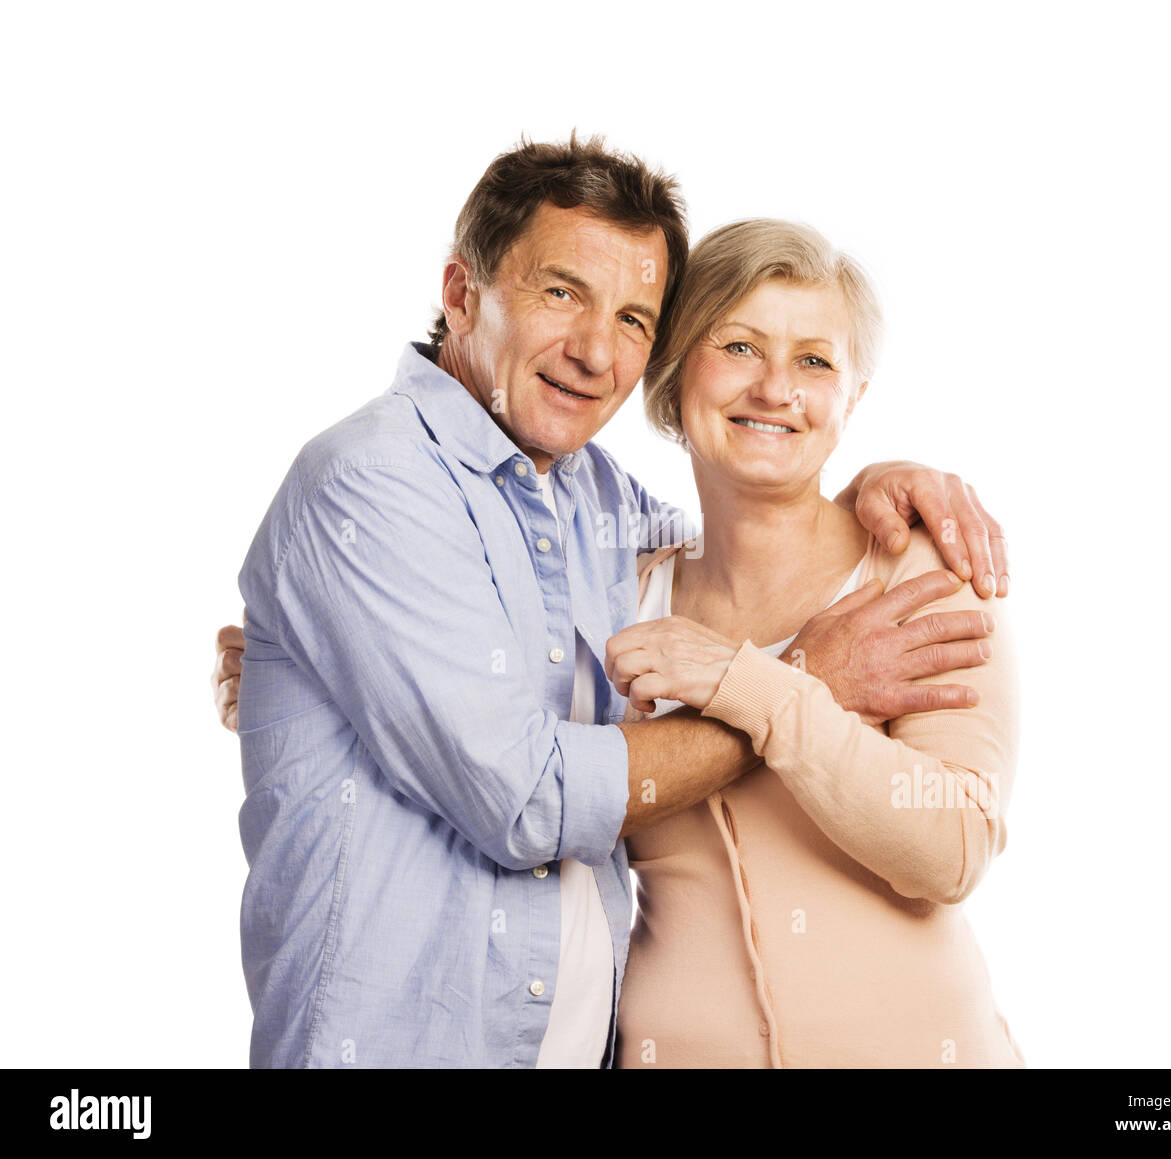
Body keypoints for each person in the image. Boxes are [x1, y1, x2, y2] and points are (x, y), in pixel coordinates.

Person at [213, 134, 1009, 1068]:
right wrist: (800, 684)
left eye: (634, 317)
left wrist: (876, 484)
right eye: (561, 292)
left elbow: (758, 515)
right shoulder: (373, 482)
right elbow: (531, 799)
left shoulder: (603, 511)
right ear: (462, 295)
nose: (595, 350)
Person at [605, 219, 1022, 1067]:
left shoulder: (925, 570)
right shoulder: (616, 593)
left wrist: (751, 684)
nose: (775, 388)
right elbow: (515, 775)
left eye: (815, 361)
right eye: (740, 346)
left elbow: (952, 848)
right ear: (678, 368)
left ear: (852, 399)